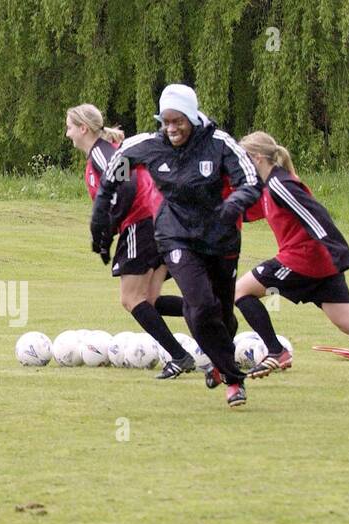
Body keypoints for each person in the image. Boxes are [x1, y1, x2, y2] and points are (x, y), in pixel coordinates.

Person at [92, 84, 259, 406]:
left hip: (220, 238)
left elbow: (250, 181)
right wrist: (100, 228)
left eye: (178, 121)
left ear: (193, 117)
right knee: (199, 305)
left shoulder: (219, 143)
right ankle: (234, 380)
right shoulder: (148, 147)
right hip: (175, 236)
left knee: (223, 314)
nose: (171, 129)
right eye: (165, 121)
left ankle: (217, 358)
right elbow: (112, 178)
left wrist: (233, 205)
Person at [234, 131, 349, 379]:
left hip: (302, 259)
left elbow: (315, 215)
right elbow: (245, 212)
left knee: (241, 291)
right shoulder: (268, 187)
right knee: (347, 322)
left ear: (256, 159)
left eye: (242, 160)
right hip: (320, 265)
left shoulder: (280, 183)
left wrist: (339, 251)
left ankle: (276, 351)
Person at [68, 103, 193, 379]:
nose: (67, 134)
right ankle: (206, 310)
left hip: (142, 223)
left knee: (131, 298)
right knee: (150, 298)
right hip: (155, 221)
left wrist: (112, 226)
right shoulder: (102, 154)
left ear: (83, 128)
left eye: (69, 127)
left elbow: (126, 185)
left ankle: (180, 356)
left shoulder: (102, 153)